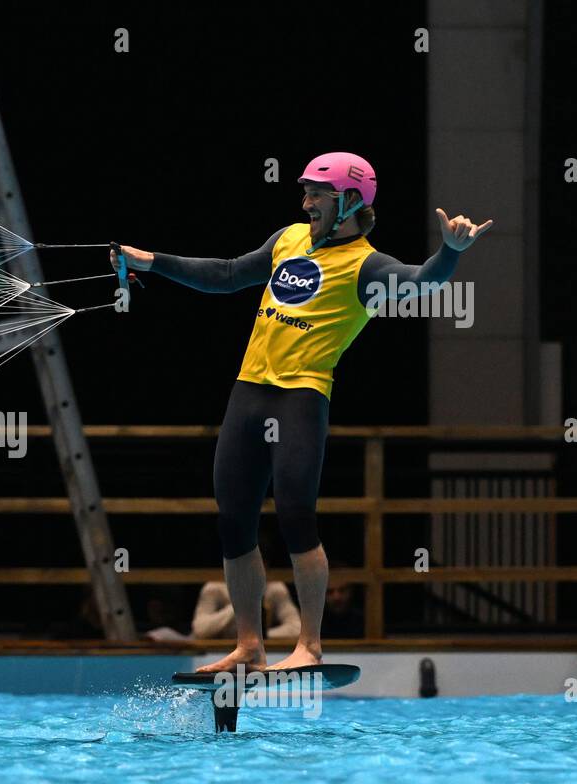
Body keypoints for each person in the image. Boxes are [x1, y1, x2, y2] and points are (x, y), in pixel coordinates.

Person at [114, 152, 492, 671]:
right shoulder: (288, 238)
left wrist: (449, 252)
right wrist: (151, 261)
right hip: (248, 393)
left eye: (317, 192)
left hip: (301, 398)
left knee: (295, 516)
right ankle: (249, 646)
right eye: (306, 192)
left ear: (350, 201)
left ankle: (309, 646)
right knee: (234, 521)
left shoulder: (367, 266)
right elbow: (225, 275)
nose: (306, 201)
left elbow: (423, 283)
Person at [145, 580, 299, 643]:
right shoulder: (215, 589)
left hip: (254, 649)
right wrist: (240, 605)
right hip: (215, 653)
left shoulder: (275, 589)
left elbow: (297, 629)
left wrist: (259, 636)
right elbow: (200, 630)